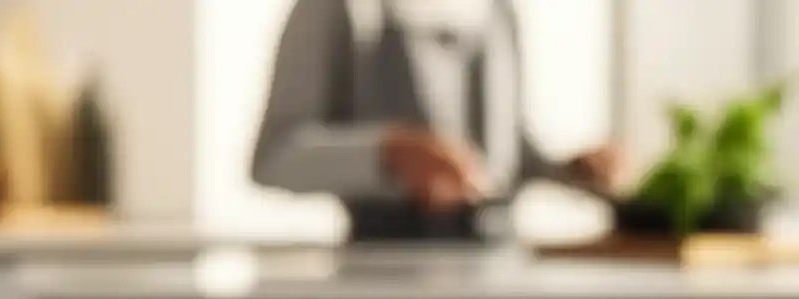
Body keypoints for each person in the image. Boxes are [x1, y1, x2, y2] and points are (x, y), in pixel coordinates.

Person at [253, 0, 619, 240]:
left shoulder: (497, 12)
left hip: (499, 266)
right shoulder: (337, 8)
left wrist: (566, 170)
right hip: (382, 274)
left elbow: (503, 156)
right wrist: (388, 152)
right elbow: (275, 155)